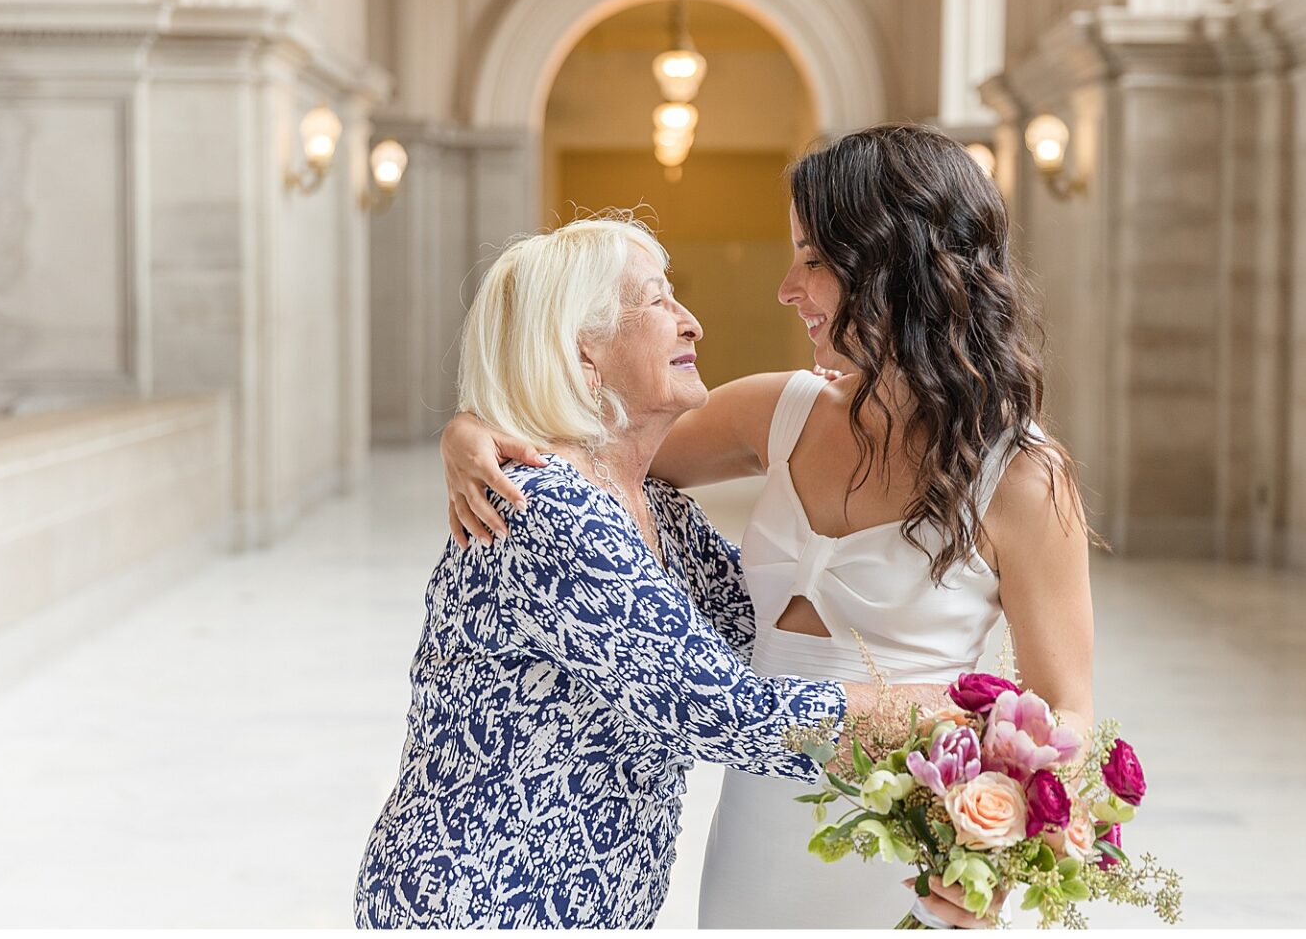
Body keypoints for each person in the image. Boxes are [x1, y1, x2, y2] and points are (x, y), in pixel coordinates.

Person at [440, 125, 1098, 929]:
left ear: (897, 264)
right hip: (753, 842)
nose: (788, 287)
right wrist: (472, 429)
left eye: (814, 258)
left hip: (903, 856)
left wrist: (997, 851)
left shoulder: (1024, 477)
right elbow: (589, 448)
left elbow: (1066, 711)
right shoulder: (776, 413)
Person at [354, 217, 947, 929]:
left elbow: (770, 621)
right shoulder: (546, 510)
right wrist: (946, 710)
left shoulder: (652, 506)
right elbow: (724, 710)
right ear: (583, 354)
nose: (692, 323)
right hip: (483, 901)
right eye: (659, 301)